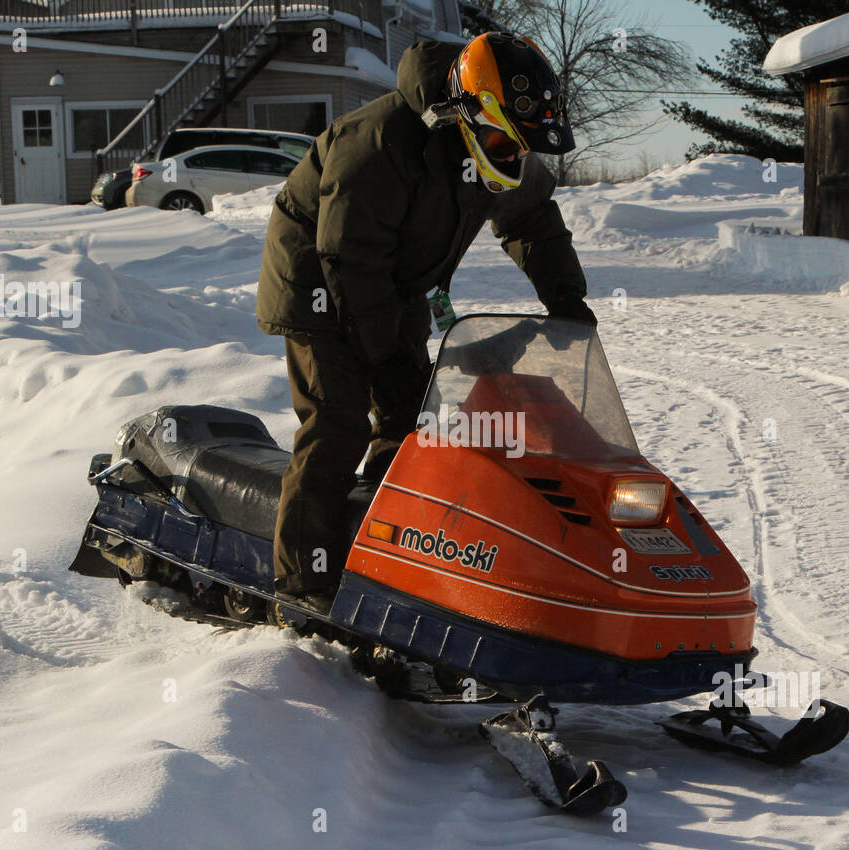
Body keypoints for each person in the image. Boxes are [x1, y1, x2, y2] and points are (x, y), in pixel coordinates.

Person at [255, 31, 595, 617]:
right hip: (314, 272)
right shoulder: (381, 142)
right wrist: (379, 347)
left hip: (394, 276)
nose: (512, 155)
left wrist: (565, 297)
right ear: (465, 112)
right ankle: (303, 583)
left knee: (416, 422)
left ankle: (393, 552)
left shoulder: (501, 149)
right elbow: (349, 255)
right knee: (338, 421)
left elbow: (533, 219)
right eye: (501, 140)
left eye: (523, 146)